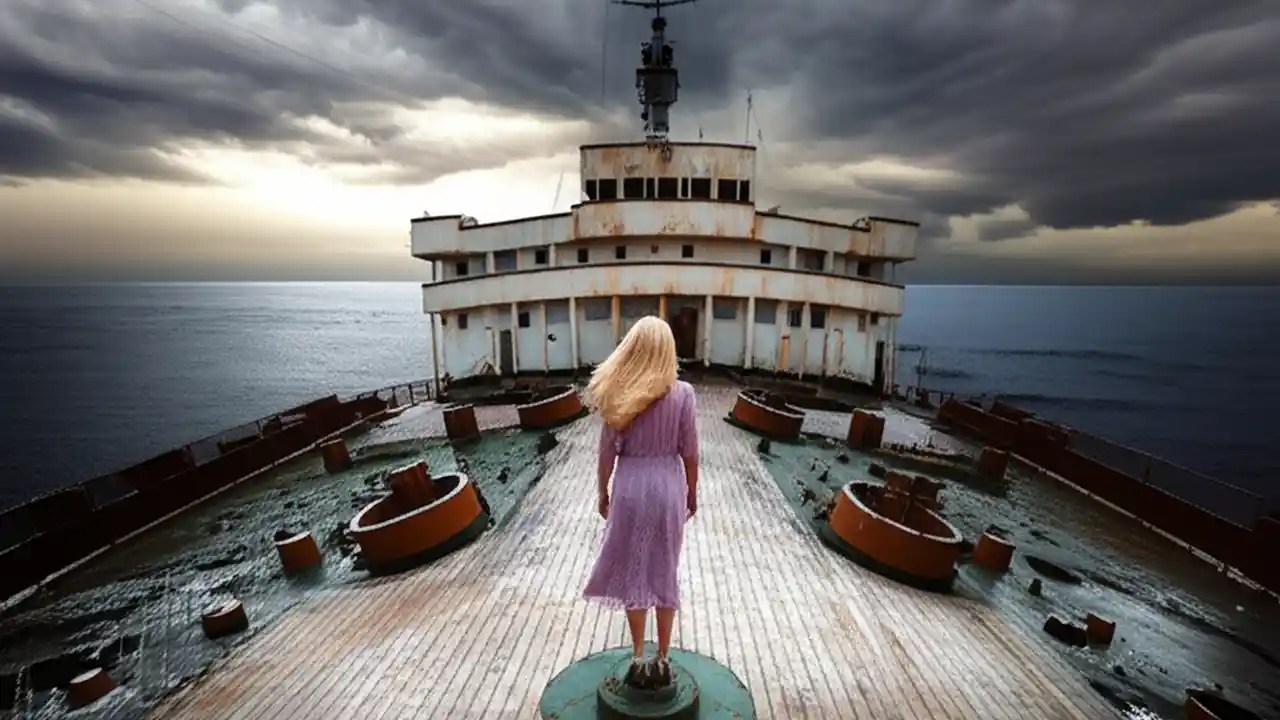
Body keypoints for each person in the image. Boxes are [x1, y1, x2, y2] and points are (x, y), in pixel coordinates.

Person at [581, 315, 699, 687]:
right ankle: (663, 658)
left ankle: (636, 655)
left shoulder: (619, 394)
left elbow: (605, 453)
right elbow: (690, 451)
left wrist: (603, 491)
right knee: (665, 569)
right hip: (667, 486)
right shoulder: (684, 394)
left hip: (630, 486)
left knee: (635, 570)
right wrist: (692, 492)